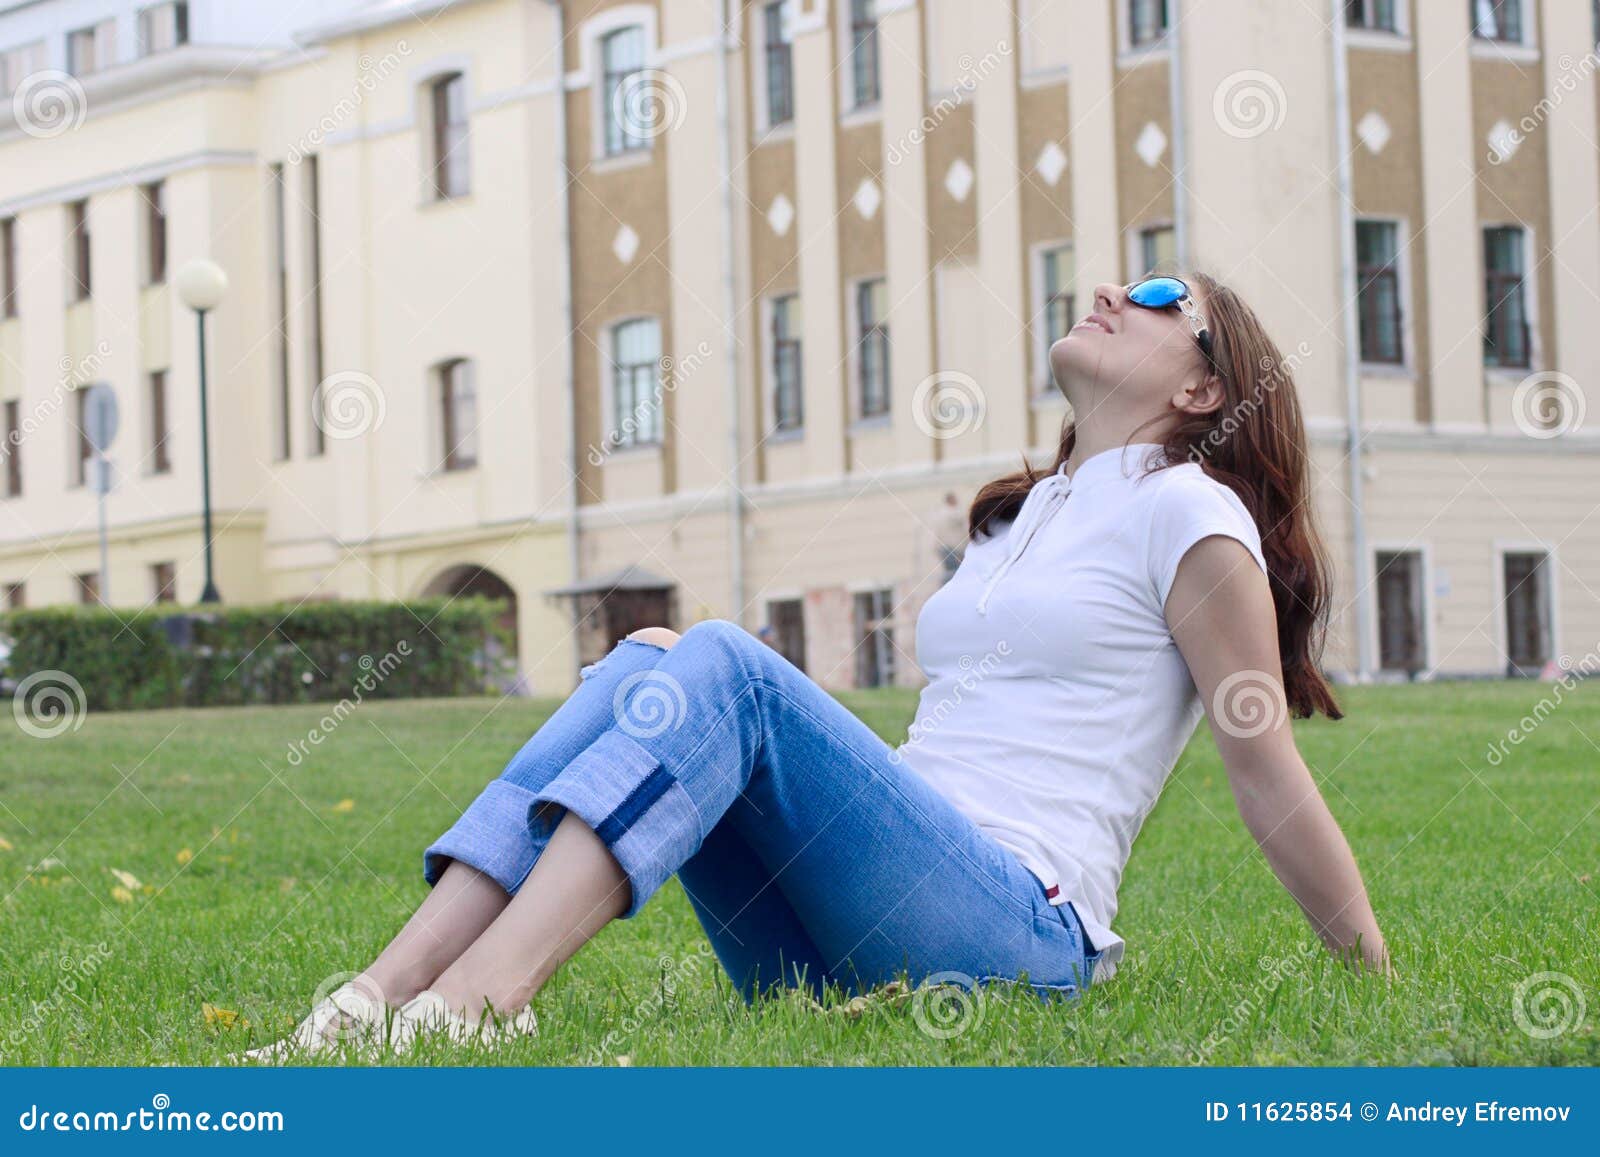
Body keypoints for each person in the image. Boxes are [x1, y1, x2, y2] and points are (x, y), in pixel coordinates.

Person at [248, 273, 1388, 1059]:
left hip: (1012, 932)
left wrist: (1373, 974)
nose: (1112, 293)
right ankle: (363, 1003)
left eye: (1155, 301)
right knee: (644, 660)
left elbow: (1262, 761)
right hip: (850, 940)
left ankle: (480, 1003)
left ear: (1201, 389)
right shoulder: (1023, 514)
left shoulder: (1189, 513)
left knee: (725, 666)